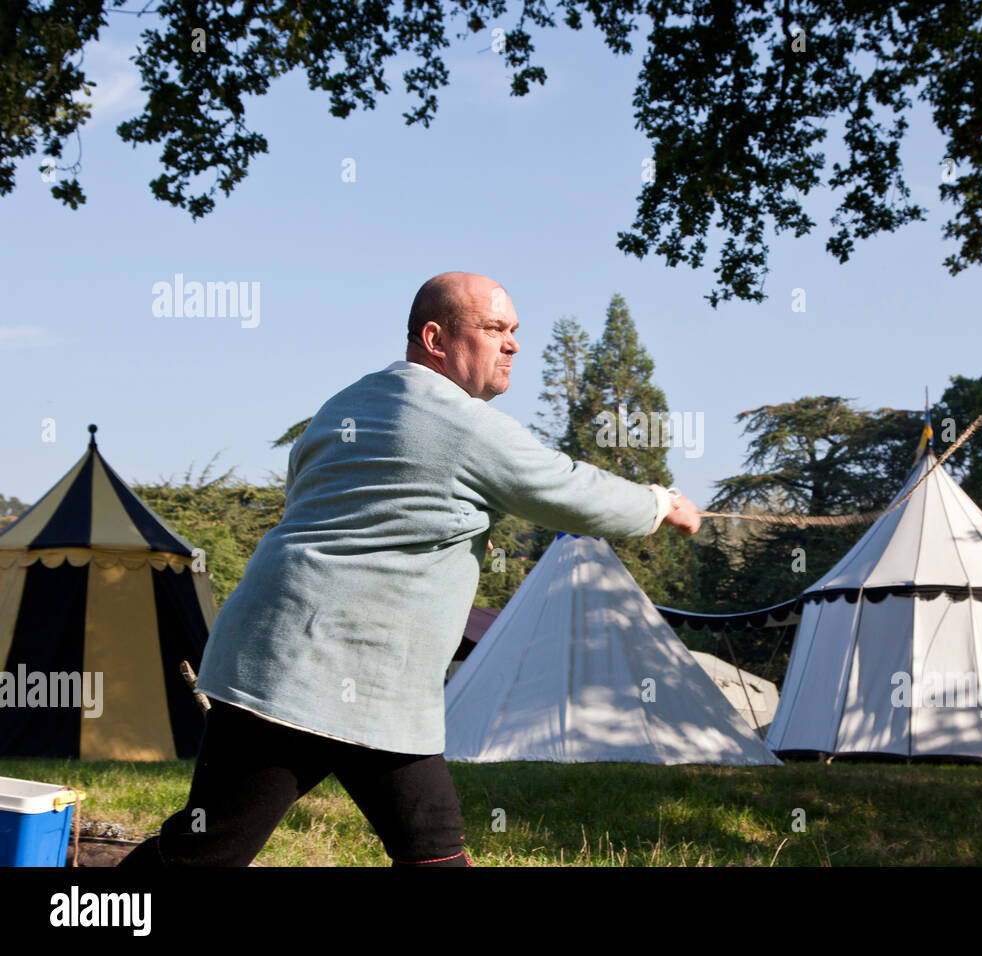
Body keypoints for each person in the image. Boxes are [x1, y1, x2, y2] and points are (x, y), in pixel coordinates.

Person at [119, 272, 702, 867]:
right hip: (311, 673)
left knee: (426, 849)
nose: (513, 345)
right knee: (210, 852)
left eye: (515, 331)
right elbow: (567, 489)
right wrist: (660, 503)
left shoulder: (342, 405)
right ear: (435, 337)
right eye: (495, 329)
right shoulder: (465, 426)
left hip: (315, 667)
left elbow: (302, 500)